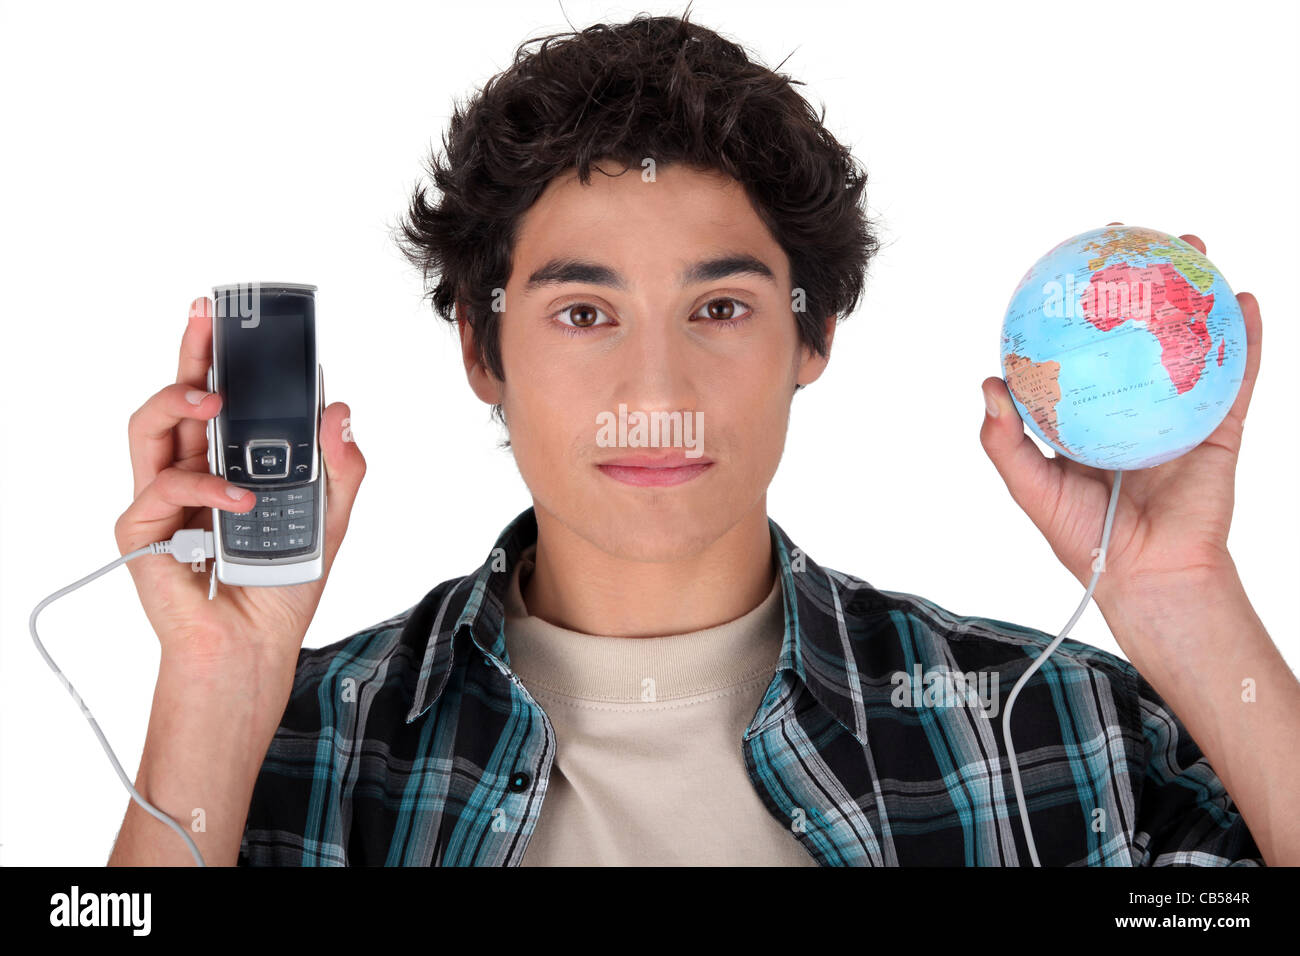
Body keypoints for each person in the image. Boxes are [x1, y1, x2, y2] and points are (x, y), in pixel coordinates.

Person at [107, 11, 1296, 867]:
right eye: (584, 312)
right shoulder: (294, 744)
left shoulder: (1049, 726)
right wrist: (216, 688)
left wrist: (1182, 596)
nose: (655, 382)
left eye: (719, 308)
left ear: (811, 334)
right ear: (482, 348)